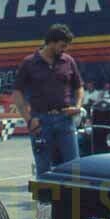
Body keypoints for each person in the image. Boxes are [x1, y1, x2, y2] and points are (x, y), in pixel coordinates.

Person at [12, 23, 84, 177]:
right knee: (43, 167)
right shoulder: (29, 63)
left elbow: (79, 87)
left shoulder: (68, 61)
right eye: (62, 45)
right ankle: (45, 194)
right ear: (51, 42)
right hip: (40, 123)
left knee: (74, 166)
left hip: (65, 120)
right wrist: (29, 120)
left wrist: (78, 106)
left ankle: (73, 193)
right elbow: (17, 92)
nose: (65, 49)